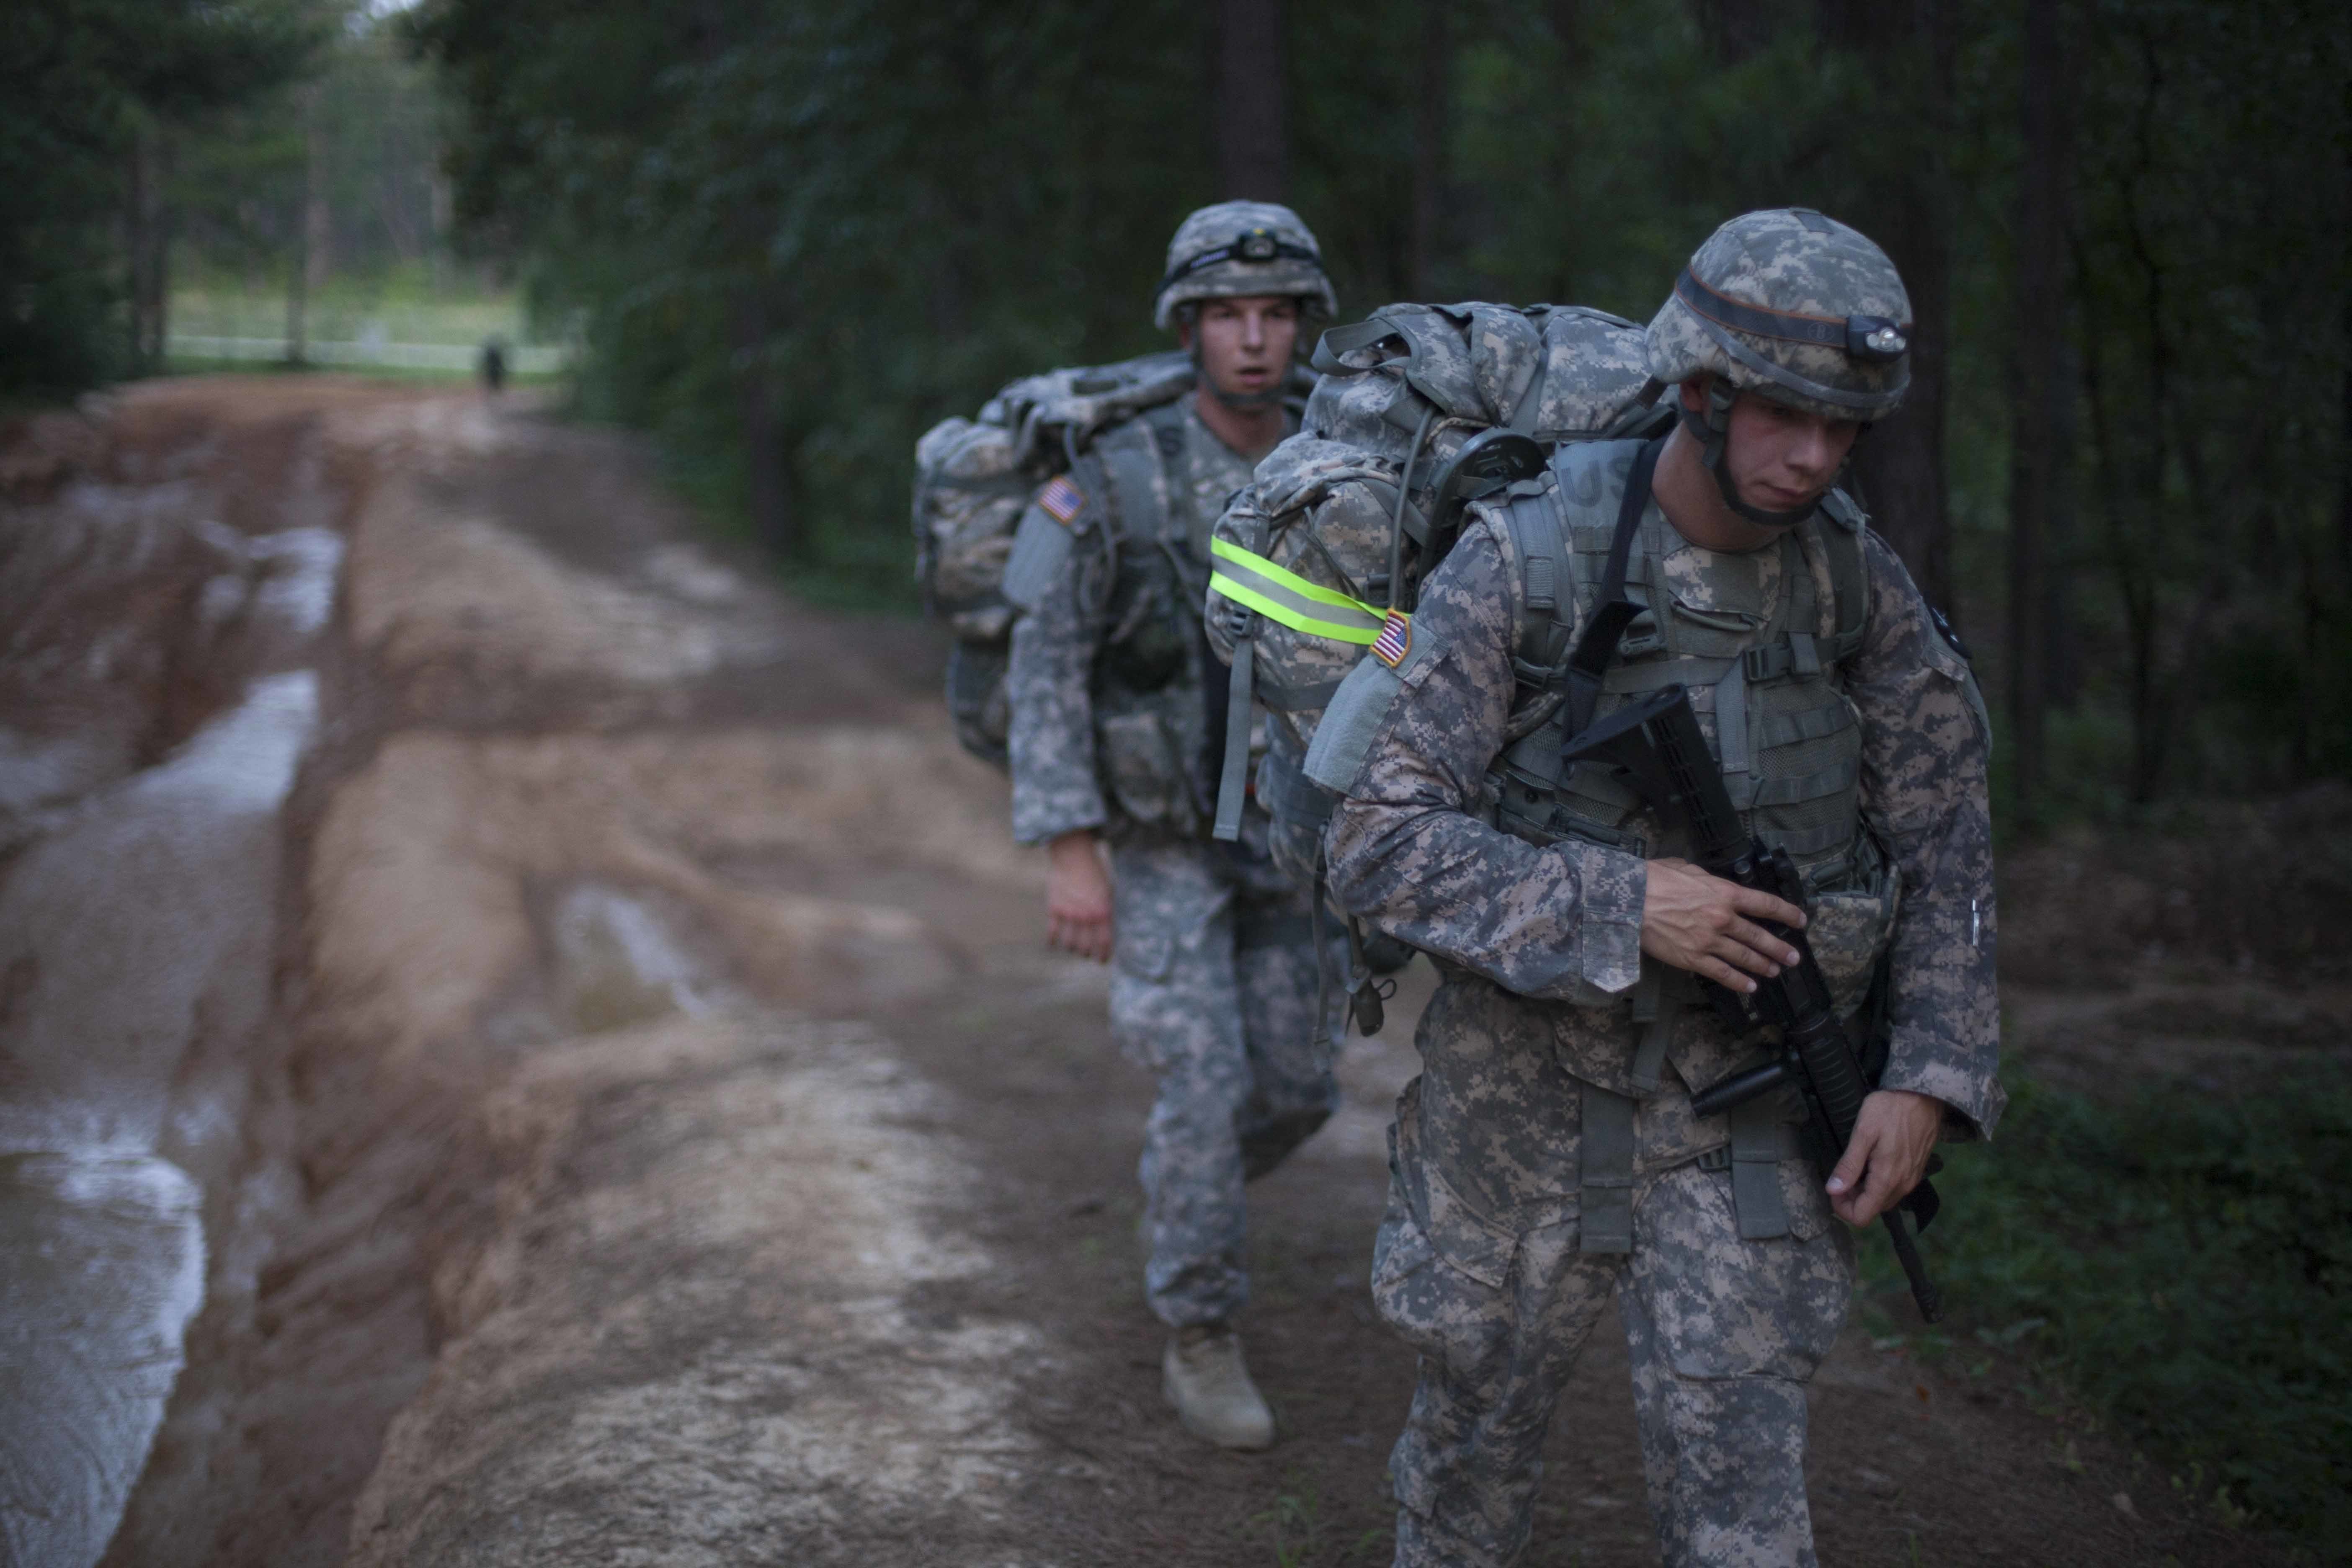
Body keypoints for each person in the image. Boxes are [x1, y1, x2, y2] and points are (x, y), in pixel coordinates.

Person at [1313, 209, 2001, 1565]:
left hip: (1748, 1118)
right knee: (1466, 1482)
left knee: (1747, 1521)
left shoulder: (1850, 576)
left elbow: (1947, 831)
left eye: (1847, 429)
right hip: (1522, 1109)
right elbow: (1375, 843)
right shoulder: (1526, 559)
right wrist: (1624, 904)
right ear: (1703, 393)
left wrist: (1929, 1074)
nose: (1817, 457)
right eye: (1789, 417)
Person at [1001, 201, 1342, 1451]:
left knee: (1299, 1089)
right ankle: (1199, 1329)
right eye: (1226, 316)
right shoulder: (1114, 471)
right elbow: (1045, 661)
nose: (1253, 340)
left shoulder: (1343, 460)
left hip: (1295, 837)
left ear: (1302, 325)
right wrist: (1070, 849)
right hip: (1157, 846)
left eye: (1274, 314)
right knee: (1202, 1088)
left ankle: (1182, 1198)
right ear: (1188, 328)